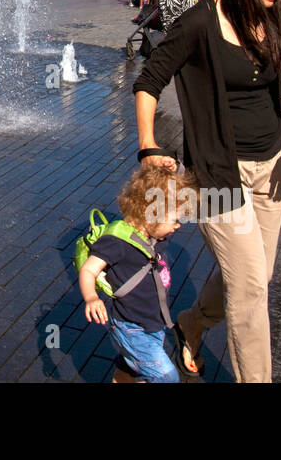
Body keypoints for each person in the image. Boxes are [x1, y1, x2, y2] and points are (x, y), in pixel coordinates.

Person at [133, 0, 281, 383]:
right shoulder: (199, 22)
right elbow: (149, 80)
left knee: (255, 278)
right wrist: (148, 145)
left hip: (272, 168)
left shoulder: (279, 14)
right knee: (249, 292)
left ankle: (193, 322)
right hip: (215, 174)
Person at [79, 160, 201, 383]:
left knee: (136, 366)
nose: (179, 225)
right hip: (132, 326)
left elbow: (170, 189)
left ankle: (124, 376)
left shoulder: (156, 234)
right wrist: (91, 298)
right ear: (151, 212)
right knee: (166, 376)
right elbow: (88, 270)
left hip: (152, 322)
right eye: (176, 219)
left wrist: (172, 171)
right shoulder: (117, 242)